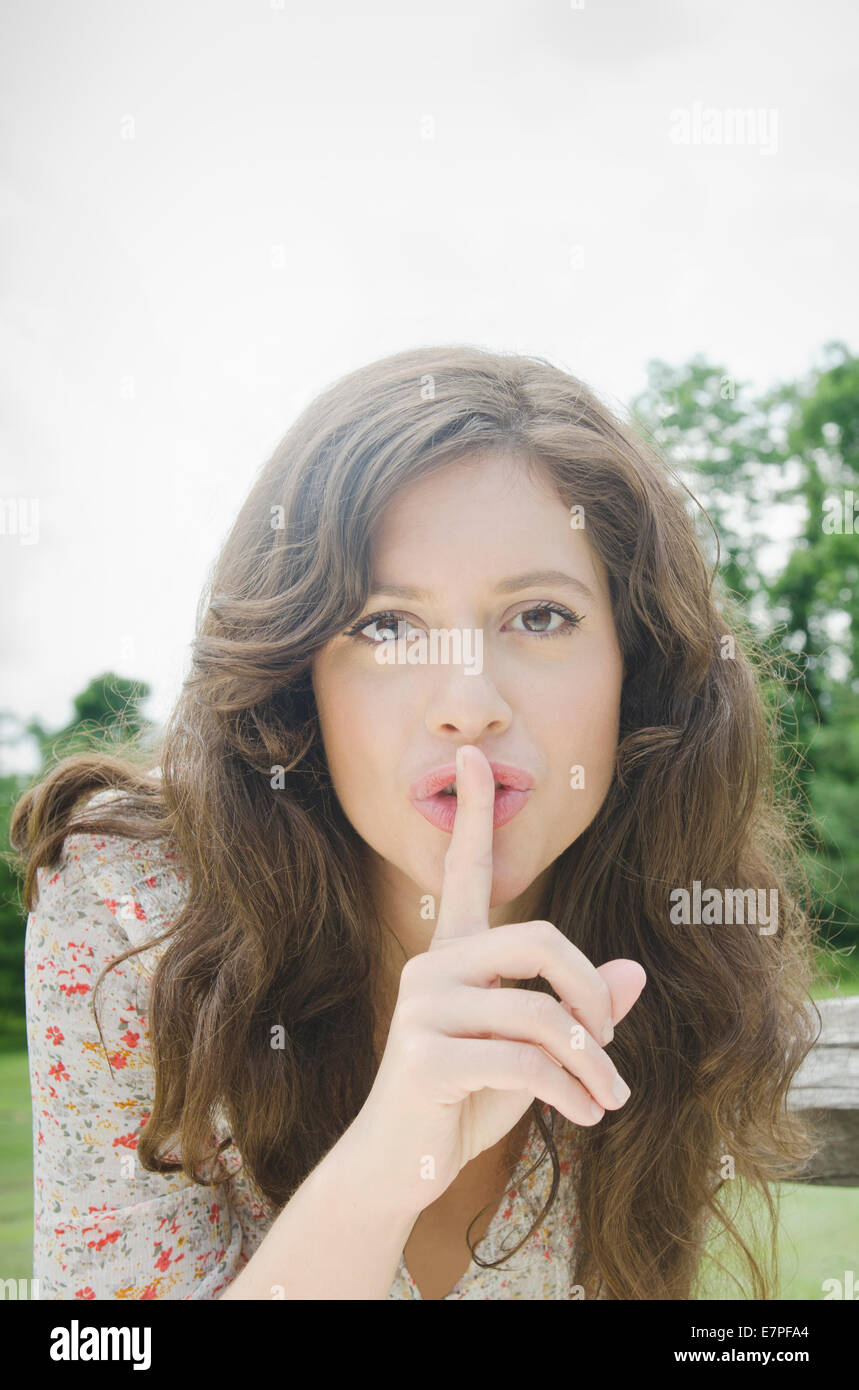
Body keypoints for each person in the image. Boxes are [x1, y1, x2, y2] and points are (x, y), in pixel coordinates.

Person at [12, 344, 820, 1300]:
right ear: (298, 679)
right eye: (387, 625)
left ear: (632, 672)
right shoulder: (132, 916)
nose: (468, 703)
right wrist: (387, 1162)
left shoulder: (669, 952)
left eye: (539, 617)